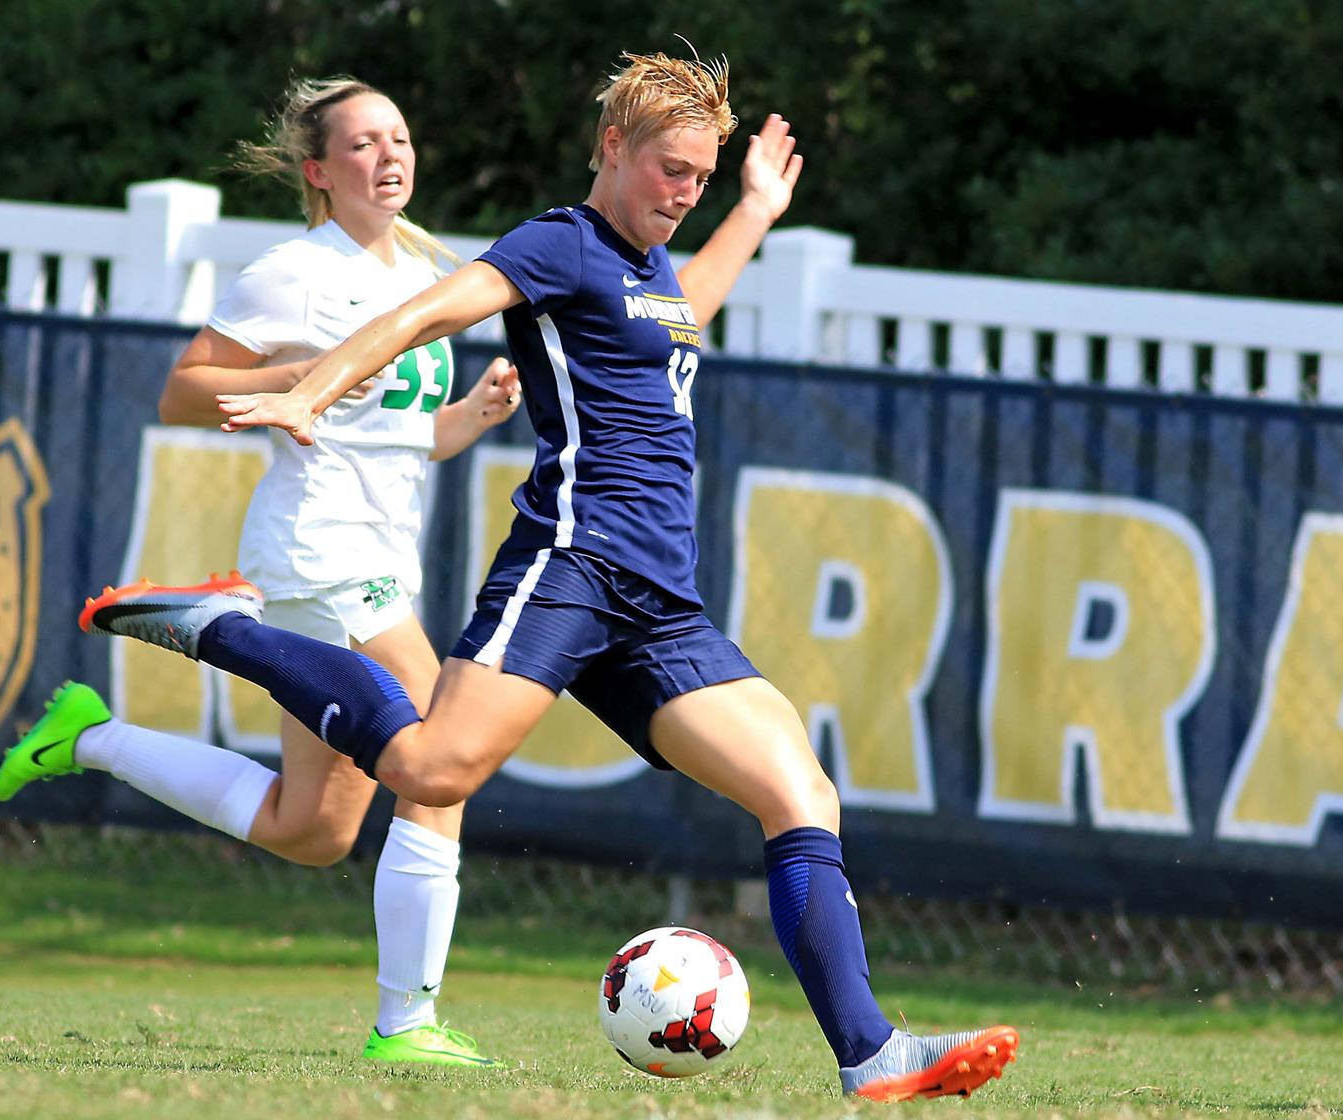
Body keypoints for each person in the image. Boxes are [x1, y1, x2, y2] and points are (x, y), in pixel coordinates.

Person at [76, 49, 1018, 1100]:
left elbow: (688, 302)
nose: (683, 193)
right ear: (611, 147)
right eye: (671, 170)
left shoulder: (657, 270)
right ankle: (225, 631)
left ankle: (869, 1053)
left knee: (798, 791)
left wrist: (752, 209)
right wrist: (313, 389)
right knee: (431, 773)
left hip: (661, 606)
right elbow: (426, 314)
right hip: (569, 567)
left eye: (699, 177)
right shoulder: (559, 244)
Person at [0, 76, 521, 1068]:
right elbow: (184, 391)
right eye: (362, 144)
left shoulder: (420, 272)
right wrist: (298, 374)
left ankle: (90, 738)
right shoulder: (294, 273)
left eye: (399, 137)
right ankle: (405, 1025)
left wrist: (471, 420)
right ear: (319, 173)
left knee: (310, 827)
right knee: (442, 751)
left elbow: (397, 438)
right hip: (318, 552)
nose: (389, 156)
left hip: (372, 559)